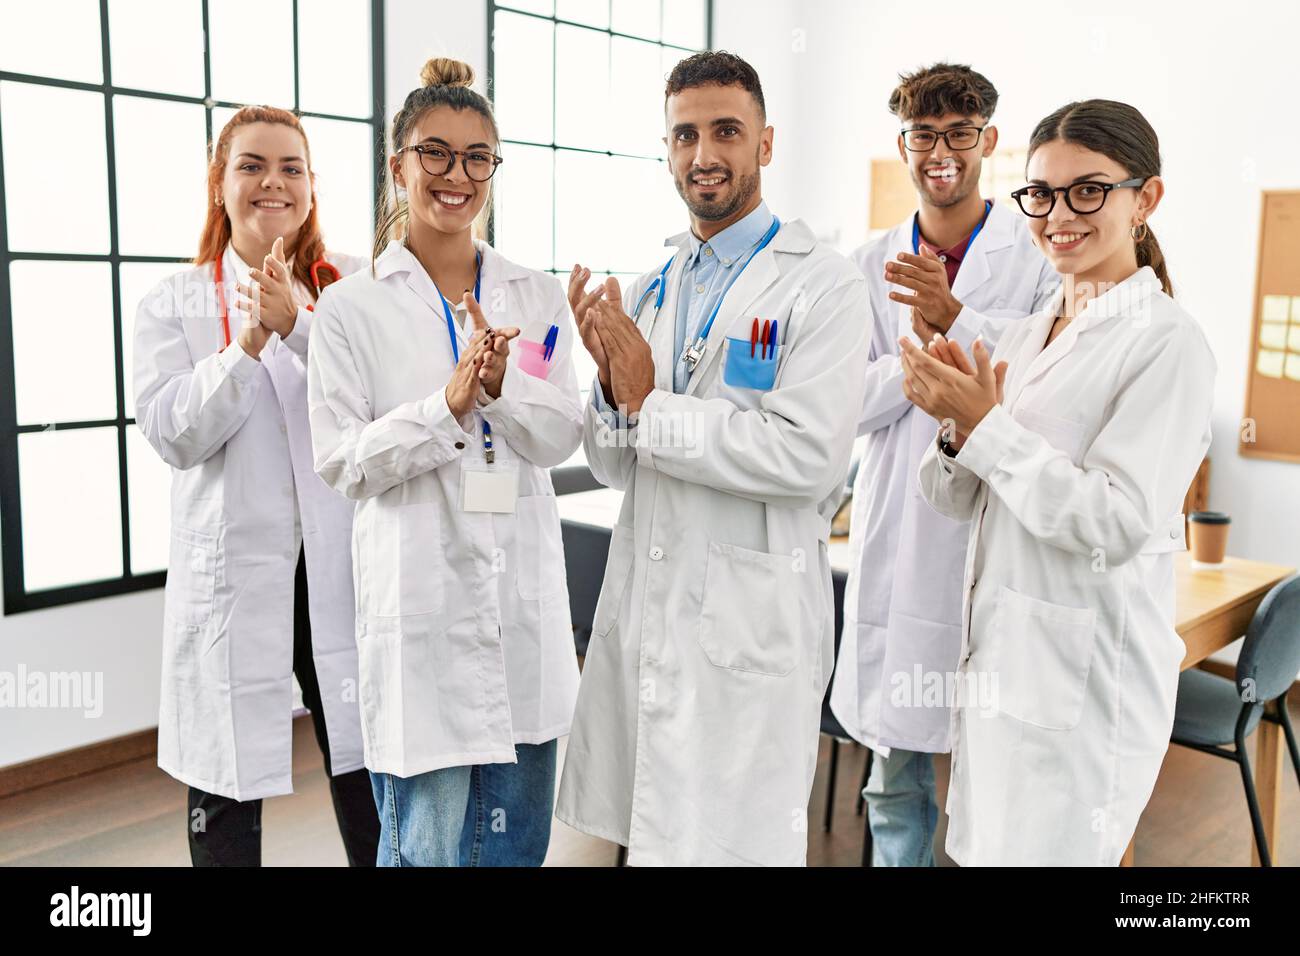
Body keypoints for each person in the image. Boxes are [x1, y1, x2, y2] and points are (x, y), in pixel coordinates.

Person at [553, 51, 871, 866]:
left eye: (726, 131)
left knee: (728, 846)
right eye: (684, 135)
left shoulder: (824, 287)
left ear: (765, 143)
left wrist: (650, 403)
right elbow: (623, 466)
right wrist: (609, 390)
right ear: (665, 150)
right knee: (653, 833)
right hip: (657, 612)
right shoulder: (656, 285)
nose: (704, 154)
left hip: (747, 629)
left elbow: (805, 459)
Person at [904, 99, 1215, 866]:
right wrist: (955, 428)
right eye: (1040, 194)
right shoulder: (1029, 327)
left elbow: (1116, 523)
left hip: (1081, 695)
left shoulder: (1169, 346)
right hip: (1002, 672)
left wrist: (988, 427)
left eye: (1088, 190)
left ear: (1145, 199)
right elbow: (950, 499)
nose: (1057, 215)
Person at [307, 57, 583, 867]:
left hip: (520, 618)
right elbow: (343, 461)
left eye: (477, 157)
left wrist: (501, 391)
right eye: (435, 153)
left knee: (516, 848)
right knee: (423, 850)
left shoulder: (536, 296)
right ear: (397, 167)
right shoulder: (351, 309)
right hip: (420, 623)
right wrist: (447, 407)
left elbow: (562, 434)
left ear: (494, 169)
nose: (456, 175)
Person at [134, 106, 377, 866]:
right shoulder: (171, 302)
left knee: (366, 765)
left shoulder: (351, 287)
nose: (273, 183)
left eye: (291, 169)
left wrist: (299, 322)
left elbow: (382, 404)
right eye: (251, 166)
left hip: (337, 565)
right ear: (220, 184)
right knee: (225, 784)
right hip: (236, 577)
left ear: (311, 189)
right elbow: (174, 432)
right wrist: (248, 344)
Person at [829, 63, 1058, 866]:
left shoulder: (1035, 257)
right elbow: (841, 408)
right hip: (896, 532)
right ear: (904, 145)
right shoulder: (866, 265)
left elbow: (1039, 387)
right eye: (924, 136)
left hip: (989, 536)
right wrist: (922, 357)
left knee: (991, 777)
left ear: (989, 141)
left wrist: (953, 321)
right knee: (893, 781)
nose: (941, 152)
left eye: (960, 134)